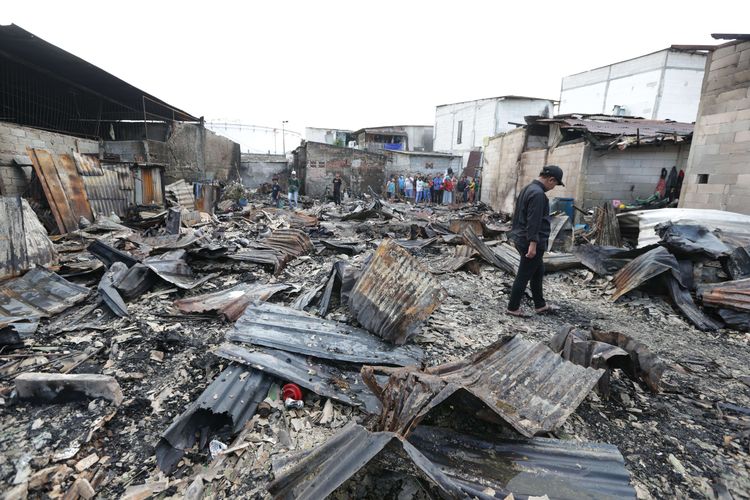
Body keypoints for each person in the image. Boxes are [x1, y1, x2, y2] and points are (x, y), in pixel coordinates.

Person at [506, 165, 564, 317]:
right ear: (551, 179)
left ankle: (540, 305)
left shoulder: (528, 188)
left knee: (538, 272)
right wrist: (533, 244)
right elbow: (534, 221)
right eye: (555, 184)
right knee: (524, 275)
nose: (553, 187)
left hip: (521, 237)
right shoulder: (538, 194)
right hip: (530, 242)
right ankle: (513, 308)